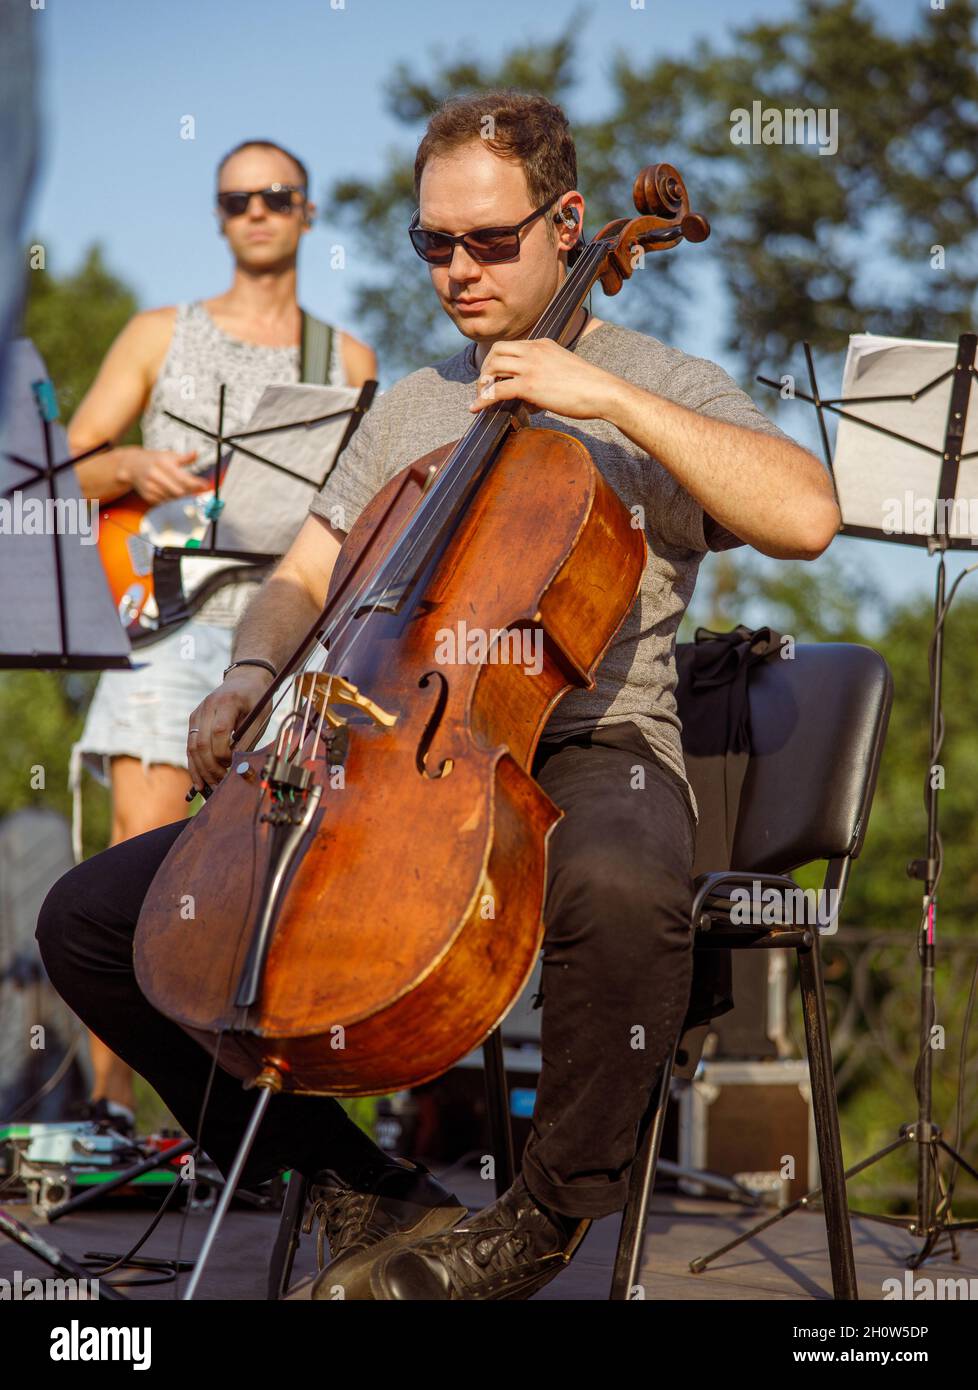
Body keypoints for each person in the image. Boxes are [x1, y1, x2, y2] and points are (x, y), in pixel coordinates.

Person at [38, 92, 840, 1301]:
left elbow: (809, 514)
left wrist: (605, 399)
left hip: (593, 742)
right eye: (431, 245)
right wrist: (255, 672)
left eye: (488, 241)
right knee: (94, 922)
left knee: (625, 887)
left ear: (572, 223)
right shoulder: (413, 403)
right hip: (387, 738)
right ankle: (357, 1183)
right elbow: (306, 573)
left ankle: (543, 1216)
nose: (457, 270)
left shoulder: (658, 381)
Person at [65, 138, 376, 1128]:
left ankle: (247, 1129)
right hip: (169, 615)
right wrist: (130, 469)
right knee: (138, 865)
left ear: (307, 213)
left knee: (268, 878)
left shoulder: (349, 360)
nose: (257, 210)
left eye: (277, 195)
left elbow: (372, 509)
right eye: (238, 197)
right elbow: (62, 470)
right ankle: (116, 1121)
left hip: (289, 629)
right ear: (218, 213)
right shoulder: (160, 332)